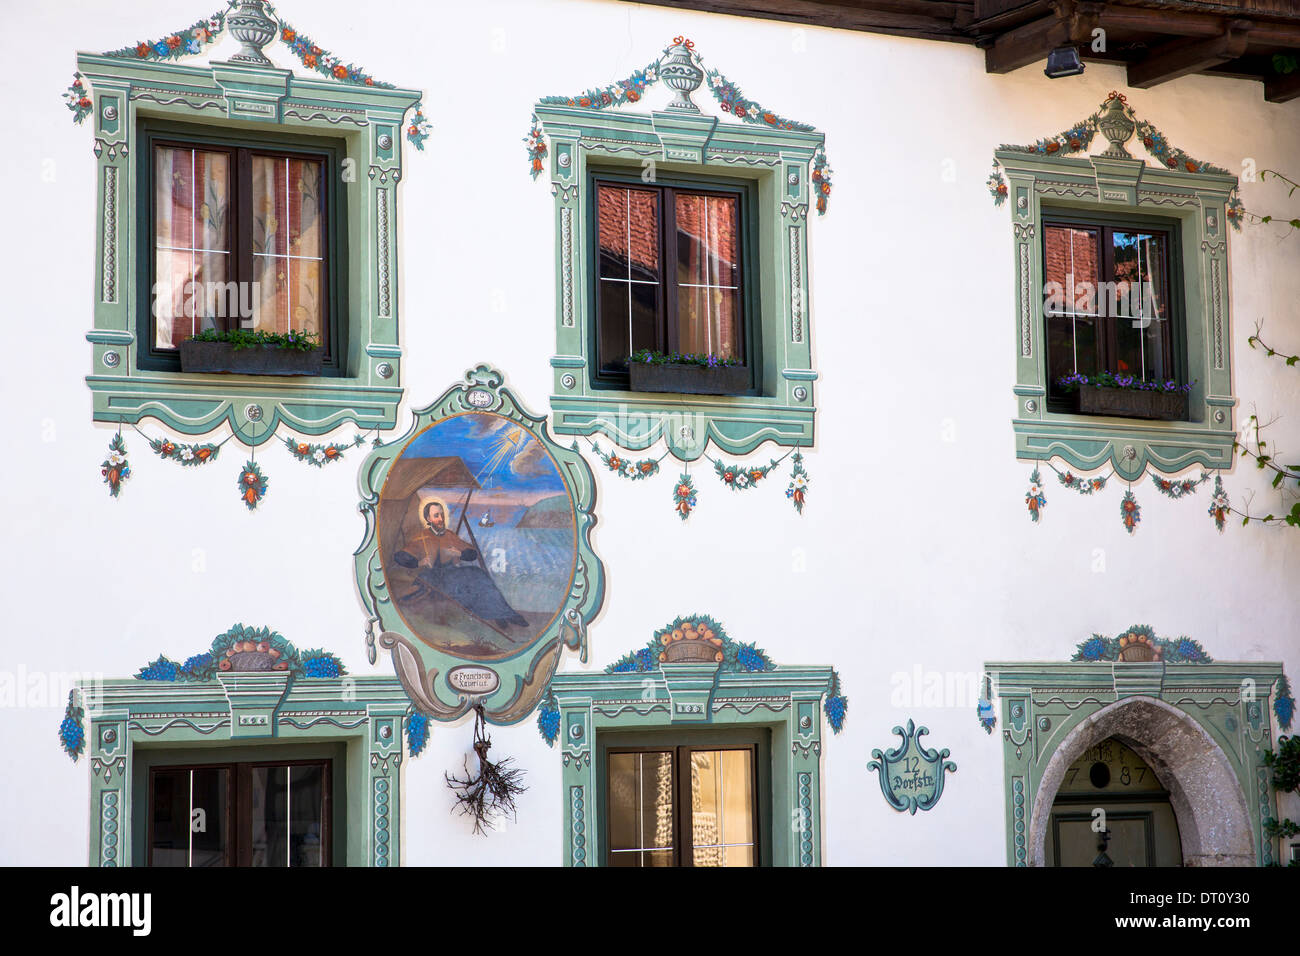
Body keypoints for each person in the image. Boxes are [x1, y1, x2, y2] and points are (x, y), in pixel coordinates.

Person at [394, 499, 528, 631]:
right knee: (465, 587)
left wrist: (459, 553)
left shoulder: (449, 535)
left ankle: (505, 613)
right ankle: (498, 615)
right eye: (436, 515)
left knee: (477, 573)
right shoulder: (422, 537)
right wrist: (419, 562)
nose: (441, 518)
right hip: (434, 577)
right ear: (428, 518)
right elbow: (400, 557)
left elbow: (472, 553)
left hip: (452, 572)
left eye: (442, 515)